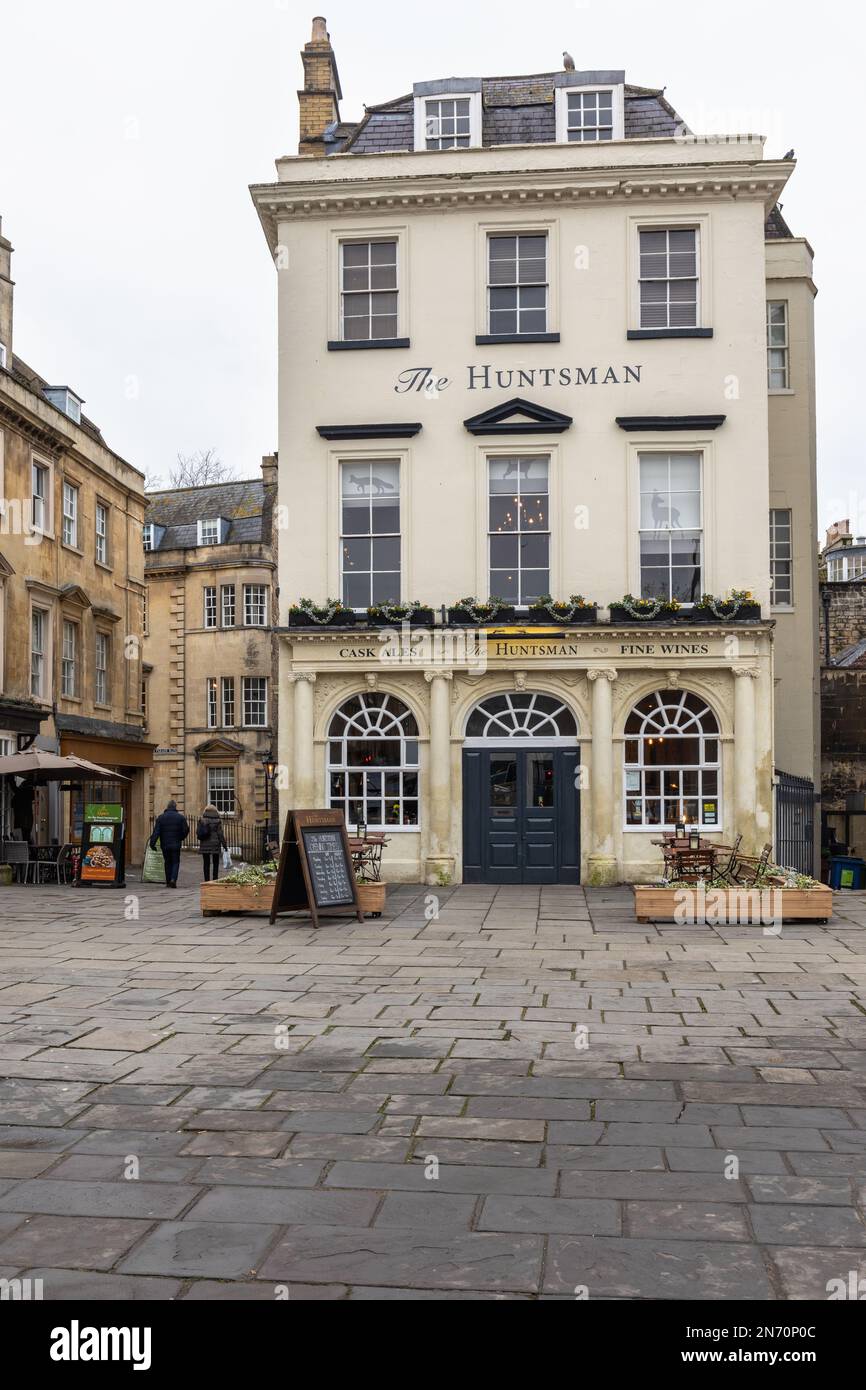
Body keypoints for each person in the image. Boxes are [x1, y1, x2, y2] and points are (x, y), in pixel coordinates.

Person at [149, 800, 189, 888]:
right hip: (176, 844)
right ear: (175, 807)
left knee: (167, 862)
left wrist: (152, 843)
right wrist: (181, 837)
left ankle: (168, 881)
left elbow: (156, 832)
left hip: (165, 844)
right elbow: (186, 830)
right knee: (175, 862)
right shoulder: (180, 818)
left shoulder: (161, 818)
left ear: (167, 807)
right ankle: (173, 879)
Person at [196, 803, 227, 882]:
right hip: (215, 843)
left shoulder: (202, 820)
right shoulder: (218, 820)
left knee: (206, 863)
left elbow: (198, 832)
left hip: (205, 843)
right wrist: (224, 845)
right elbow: (220, 834)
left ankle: (207, 881)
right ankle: (215, 880)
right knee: (216, 862)